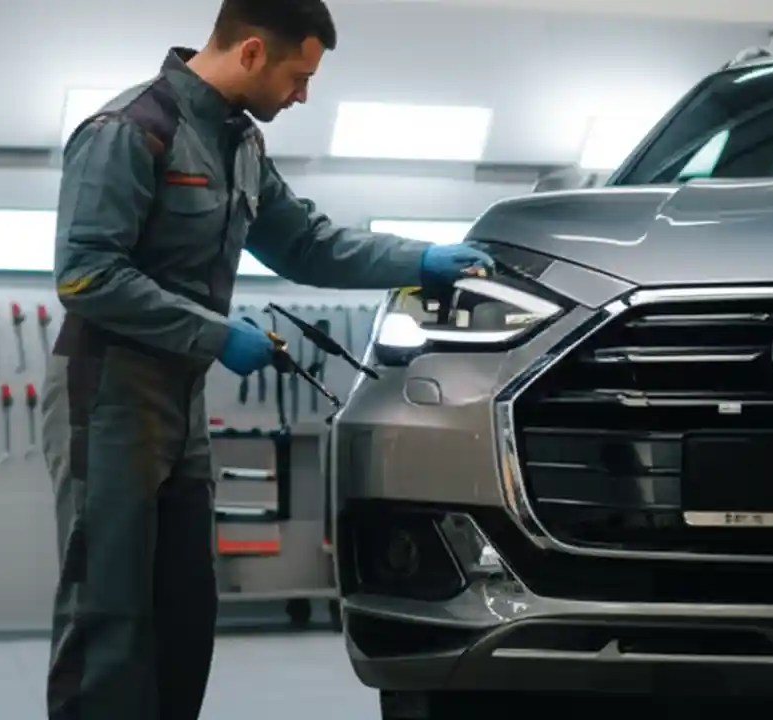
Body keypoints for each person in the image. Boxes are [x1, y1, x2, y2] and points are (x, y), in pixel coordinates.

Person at [41, 1, 493, 718]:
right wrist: (217, 334)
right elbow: (86, 275)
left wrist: (423, 259)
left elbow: (307, 245)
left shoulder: (240, 144)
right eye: (299, 75)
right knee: (110, 613)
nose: (304, 94)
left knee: (184, 614)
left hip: (177, 401)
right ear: (252, 51)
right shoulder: (130, 129)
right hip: (108, 395)